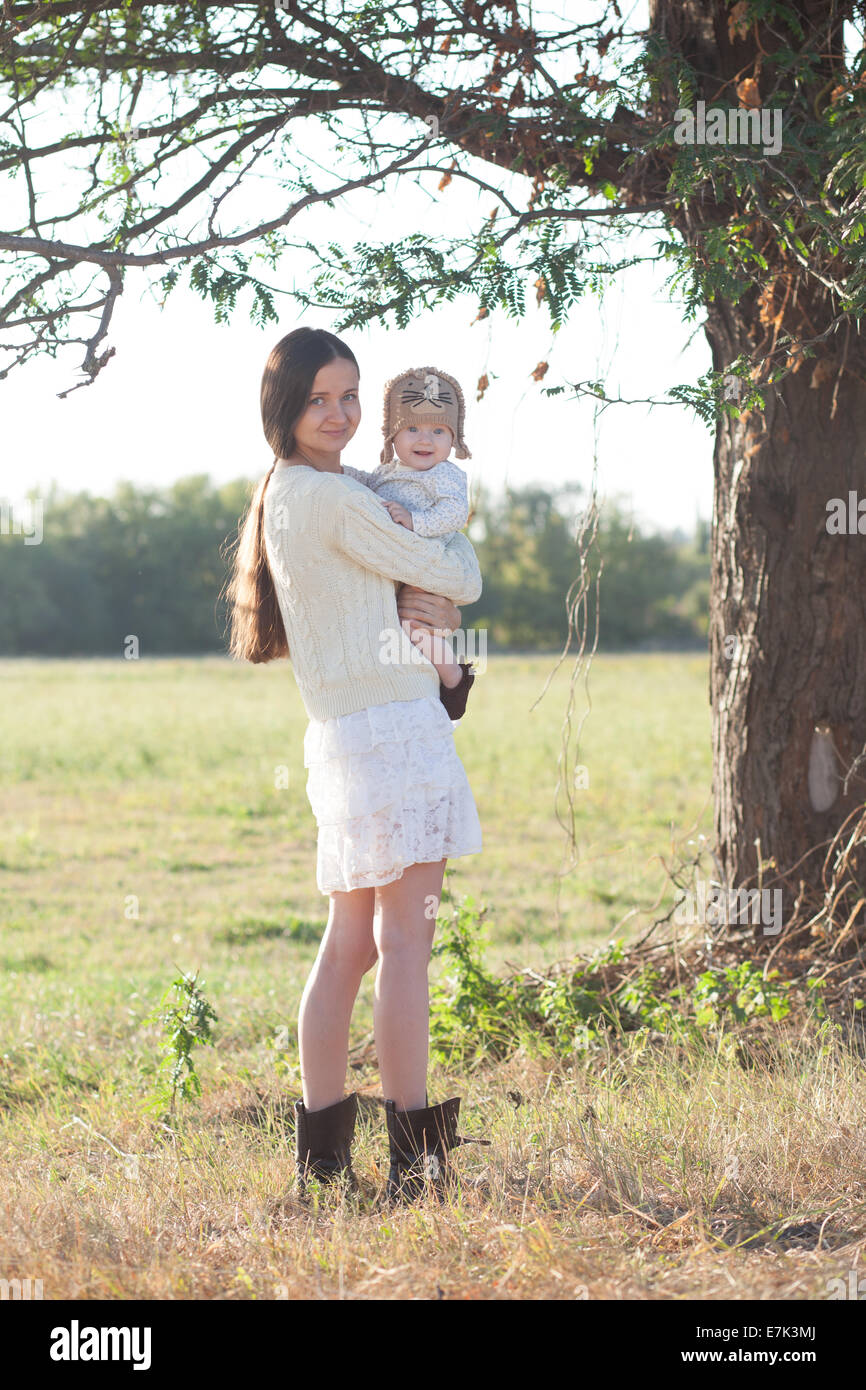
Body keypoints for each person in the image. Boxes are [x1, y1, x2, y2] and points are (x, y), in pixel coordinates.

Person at [226, 327, 489, 1206]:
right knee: (403, 943)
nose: (336, 415)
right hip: (393, 736)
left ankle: (324, 1164)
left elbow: (419, 582)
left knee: (352, 947)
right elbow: (456, 572)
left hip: (349, 736)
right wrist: (454, 565)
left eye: (349, 397)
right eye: (317, 400)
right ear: (284, 409)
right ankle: (414, 1167)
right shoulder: (333, 501)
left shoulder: (295, 490)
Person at [340, 366, 475, 700]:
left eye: (438, 431)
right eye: (412, 428)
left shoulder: (446, 475)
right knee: (395, 626)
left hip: (424, 563)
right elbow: (367, 484)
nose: (425, 439)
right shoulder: (387, 473)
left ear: (453, 438)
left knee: (413, 624)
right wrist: (338, 473)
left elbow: (455, 513)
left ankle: (454, 677)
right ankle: (418, 677)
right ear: (393, 436)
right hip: (396, 563)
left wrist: (416, 521)